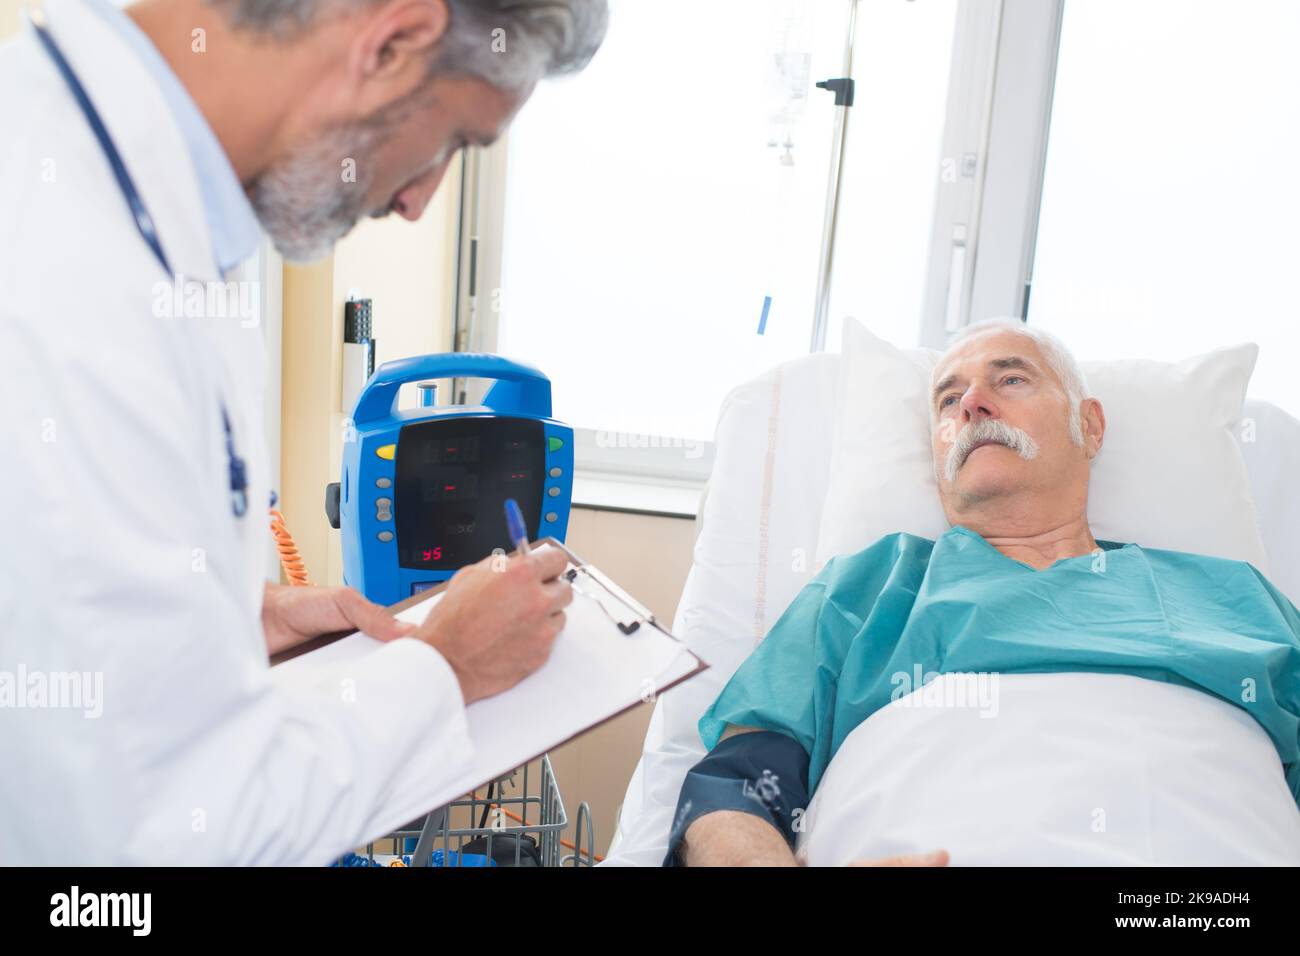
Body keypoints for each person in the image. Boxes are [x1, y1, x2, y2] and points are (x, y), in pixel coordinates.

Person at [0, 0, 607, 863]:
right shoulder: (65, 276)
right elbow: (146, 848)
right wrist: (443, 668)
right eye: (455, 144)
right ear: (392, 39)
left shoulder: (180, 230)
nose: (416, 202)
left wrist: (236, 620)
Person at [667, 319, 1300, 866]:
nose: (972, 403)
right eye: (947, 399)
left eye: (1011, 379)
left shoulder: (1233, 595)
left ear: (1090, 425)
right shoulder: (866, 588)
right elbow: (735, 786)